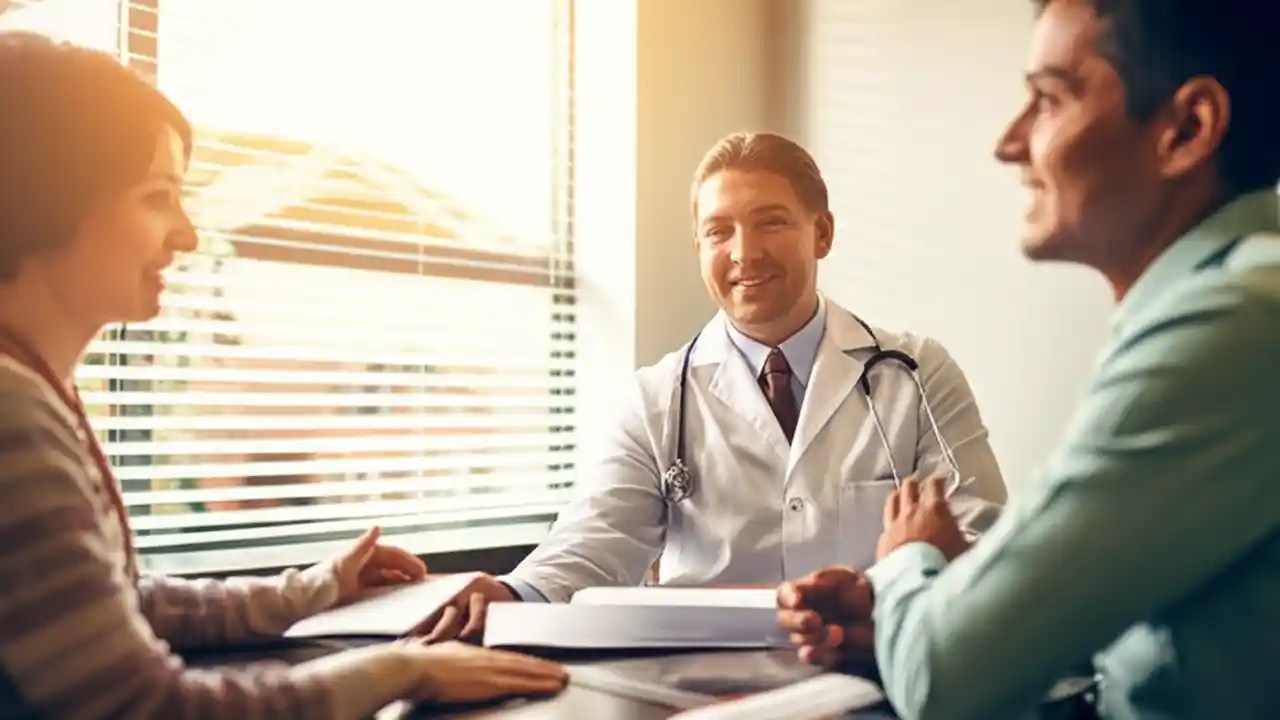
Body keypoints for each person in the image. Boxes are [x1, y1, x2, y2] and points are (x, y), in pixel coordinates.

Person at [0, 32, 566, 718]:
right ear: (52, 194)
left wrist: (318, 587)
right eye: (157, 198)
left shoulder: (33, 391)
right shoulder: (14, 411)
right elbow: (144, 705)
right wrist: (398, 670)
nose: (187, 234)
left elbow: (124, 601)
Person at [777, 0, 1280, 718]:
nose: (1009, 144)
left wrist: (903, 567)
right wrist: (917, 607)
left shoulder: (1229, 324)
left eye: (1048, 100)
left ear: (1186, 130)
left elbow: (943, 680)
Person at [421, 132, 1007, 641]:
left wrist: (878, 590)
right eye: (718, 231)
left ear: (821, 232)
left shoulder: (915, 371)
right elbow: (595, 542)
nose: (744, 253)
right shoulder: (656, 399)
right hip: (704, 681)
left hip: (869, 660)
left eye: (770, 222)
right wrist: (511, 593)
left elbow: (976, 528)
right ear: (699, 248)